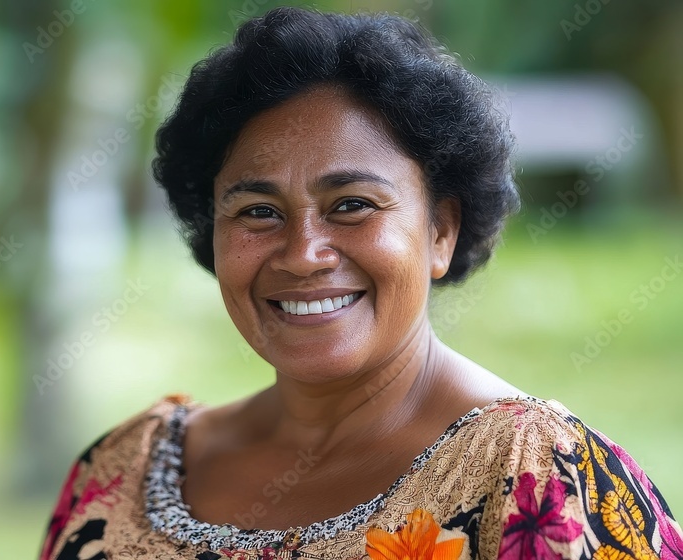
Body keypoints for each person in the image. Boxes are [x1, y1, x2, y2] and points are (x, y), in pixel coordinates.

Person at [39, 7, 683, 560]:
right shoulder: (122, 471)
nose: (303, 255)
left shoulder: (542, 480)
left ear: (440, 231)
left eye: (352, 204)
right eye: (258, 211)